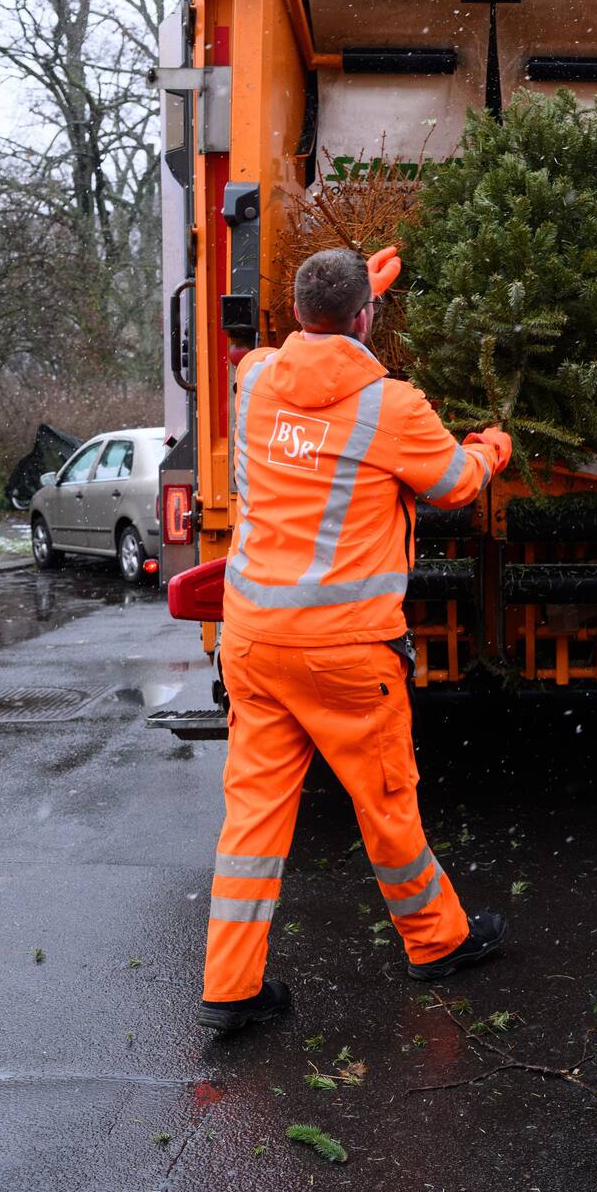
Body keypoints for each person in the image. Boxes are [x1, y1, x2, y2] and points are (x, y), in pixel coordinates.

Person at [198, 246, 514, 1033]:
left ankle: (230, 988)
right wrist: (492, 448)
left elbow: (299, 345)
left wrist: (350, 294)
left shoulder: (256, 381)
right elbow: (454, 486)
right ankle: (438, 942)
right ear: (366, 319)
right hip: (344, 652)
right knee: (385, 804)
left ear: (301, 315)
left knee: (254, 818)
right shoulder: (393, 407)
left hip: (253, 640)